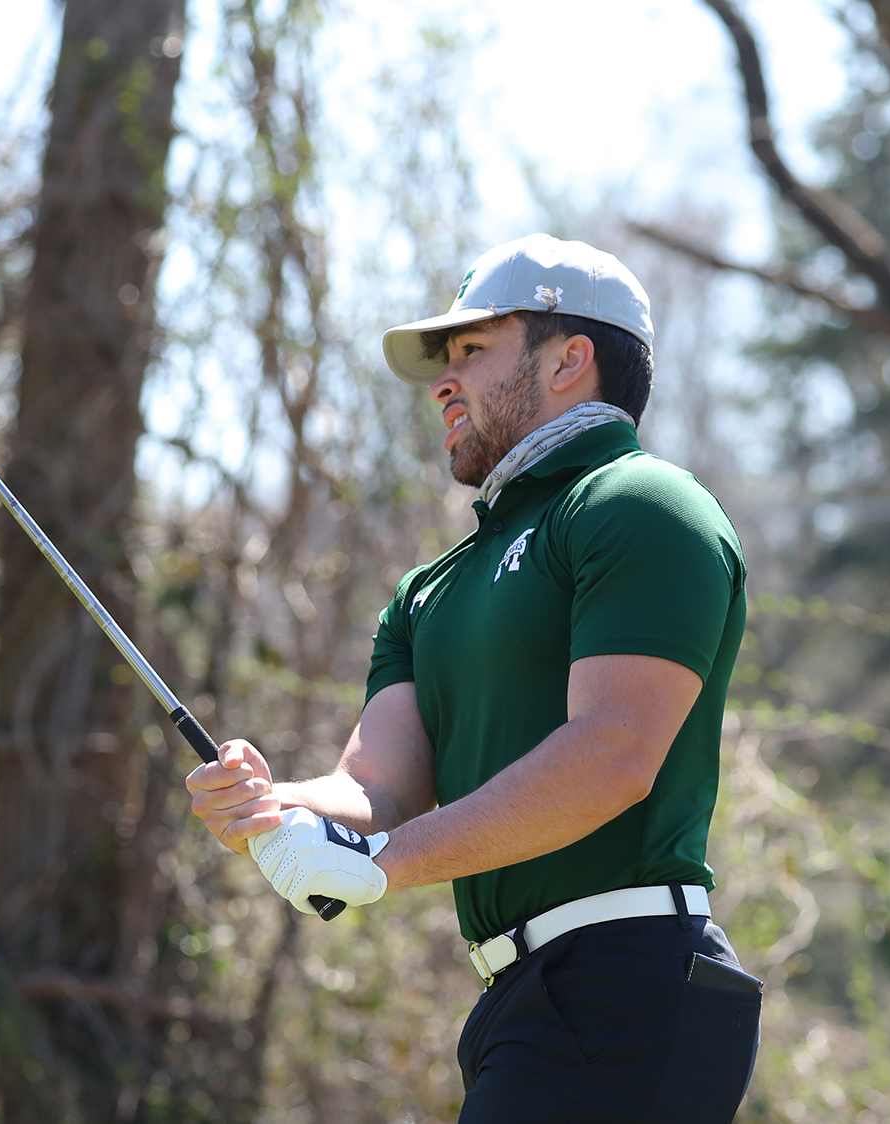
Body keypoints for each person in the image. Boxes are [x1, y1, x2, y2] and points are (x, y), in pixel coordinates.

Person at [186, 234, 759, 1122]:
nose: (442, 382)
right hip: (516, 999)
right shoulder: (430, 591)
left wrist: (380, 866)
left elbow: (612, 754)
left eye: (472, 351)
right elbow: (378, 788)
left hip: (630, 979)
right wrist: (272, 803)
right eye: (443, 361)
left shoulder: (640, 504)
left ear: (571, 359)